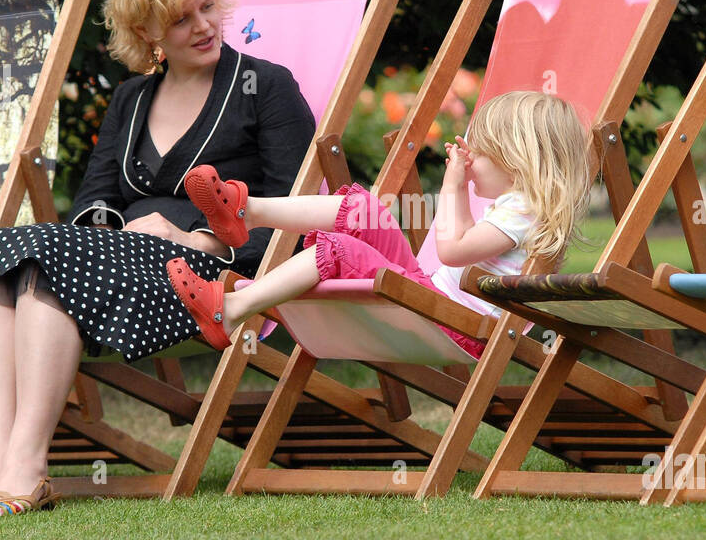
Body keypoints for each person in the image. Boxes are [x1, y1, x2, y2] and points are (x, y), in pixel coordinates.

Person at [0, 0, 314, 516]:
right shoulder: (132, 99)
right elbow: (96, 197)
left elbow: (294, 213)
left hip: (207, 279)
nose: (205, 26)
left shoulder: (264, 88)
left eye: (208, 7)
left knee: (46, 265)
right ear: (147, 31)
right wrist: (114, 238)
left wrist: (194, 237)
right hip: (116, 264)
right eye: (183, 19)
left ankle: (29, 465)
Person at [166, 90, 592, 359]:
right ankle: (245, 212)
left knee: (340, 250)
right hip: (437, 301)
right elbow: (460, 245)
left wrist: (451, 187)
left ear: (516, 158)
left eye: (480, 152)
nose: (469, 160)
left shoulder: (523, 210)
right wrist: (460, 190)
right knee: (362, 208)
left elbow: (452, 249)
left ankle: (233, 309)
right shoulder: (519, 205)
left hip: (457, 325)